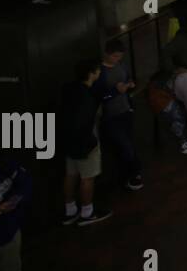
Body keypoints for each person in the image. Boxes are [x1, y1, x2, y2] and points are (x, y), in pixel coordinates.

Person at [60, 60, 112, 226]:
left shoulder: (69, 89)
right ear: (91, 73)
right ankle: (87, 212)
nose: (99, 72)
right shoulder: (88, 97)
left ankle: (69, 210)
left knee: (70, 175)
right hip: (85, 143)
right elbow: (87, 120)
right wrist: (91, 142)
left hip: (68, 141)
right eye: (97, 70)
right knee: (87, 177)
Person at [97, 39, 143, 192]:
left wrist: (130, 85)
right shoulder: (100, 72)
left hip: (125, 111)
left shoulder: (121, 66)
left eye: (119, 56)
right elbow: (99, 96)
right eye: (115, 56)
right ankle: (132, 173)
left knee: (128, 143)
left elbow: (129, 79)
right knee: (123, 145)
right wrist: (116, 91)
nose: (118, 59)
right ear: (107, 54)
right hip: (110, 116)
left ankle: (130, 174)